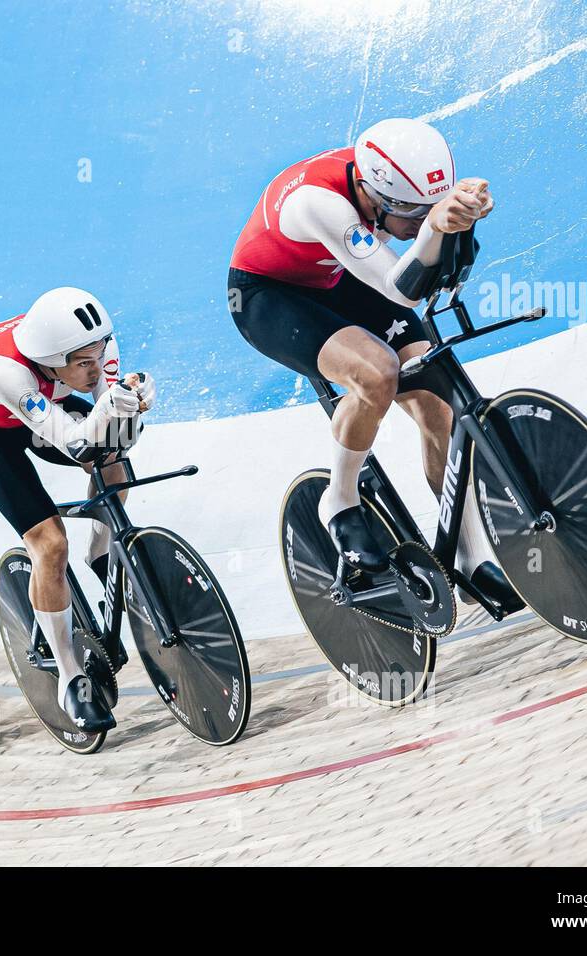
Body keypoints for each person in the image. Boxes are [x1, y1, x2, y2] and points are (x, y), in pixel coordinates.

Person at [227, 116, 520, 611]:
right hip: (269, 295)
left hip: (337, 272)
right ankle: (339, 499)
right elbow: (400, 289)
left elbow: (427, 269)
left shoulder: (393, 175)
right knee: (376, 372)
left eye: (427, 209)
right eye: (410, 215)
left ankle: (469, 560)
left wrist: (461, 217)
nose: (414, 226)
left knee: (436, 398)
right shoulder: (318, 203)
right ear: (370, 193)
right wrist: (437, 228)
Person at [0, 287, 156, 732]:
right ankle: (69, 677)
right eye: (84, 364)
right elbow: (75, 440)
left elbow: (115, 441)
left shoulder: (92, 349)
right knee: (49, 542)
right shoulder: (3, 372)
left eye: (99, 357)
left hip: (50, 406)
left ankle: (102, 555)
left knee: (115, 461)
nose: (97, 369)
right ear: (49, 360)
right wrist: (109, 411)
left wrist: (132, 408)